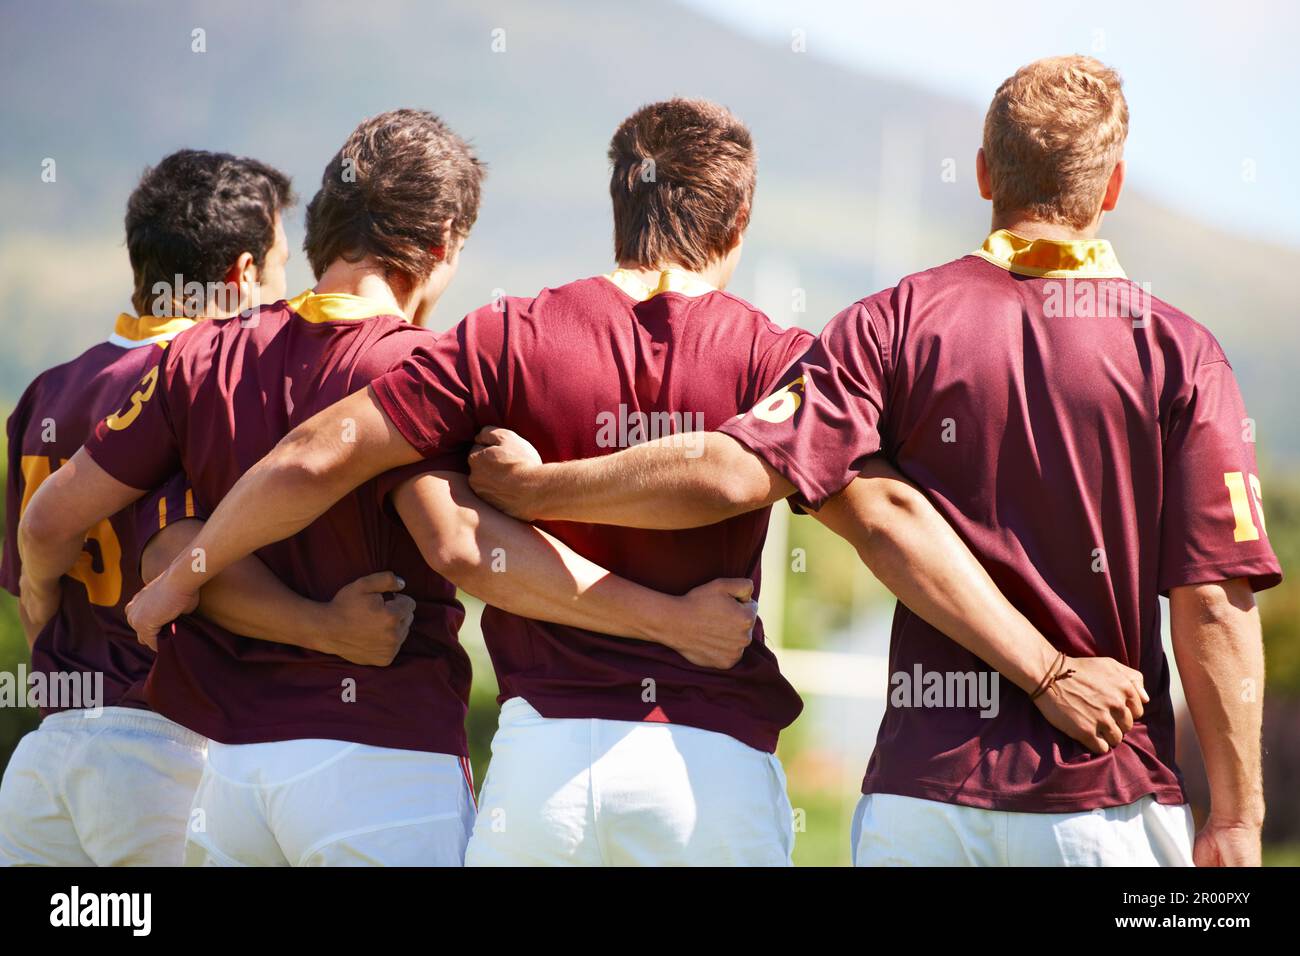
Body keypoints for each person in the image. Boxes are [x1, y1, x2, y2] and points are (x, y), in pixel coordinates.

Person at [123, 99, 1144, 866]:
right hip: (710, 766)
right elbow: (881, 518)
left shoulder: (508, 331)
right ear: (738, 221)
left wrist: (182, 573)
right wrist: (1047, 665)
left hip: (538, 765)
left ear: (618, 206)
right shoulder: (779, 354)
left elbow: (321, 460)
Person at [468, 57, 1283, 867]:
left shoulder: (890, 324)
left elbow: (738, 472)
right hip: (1106, 801)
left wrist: (536, 487)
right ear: (1111, 187)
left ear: (983, 172)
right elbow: (1212, 602)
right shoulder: (1182, 354)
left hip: (920, 802)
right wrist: (1238, 815)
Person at [0, 149, 402, 864]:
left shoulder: (47, 390)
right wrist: (327, 629)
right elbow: (177, 562)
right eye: (281, 269)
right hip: (161, 750)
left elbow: (37, 578)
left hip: (47, 753)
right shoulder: (197, 386)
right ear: (243, 275)